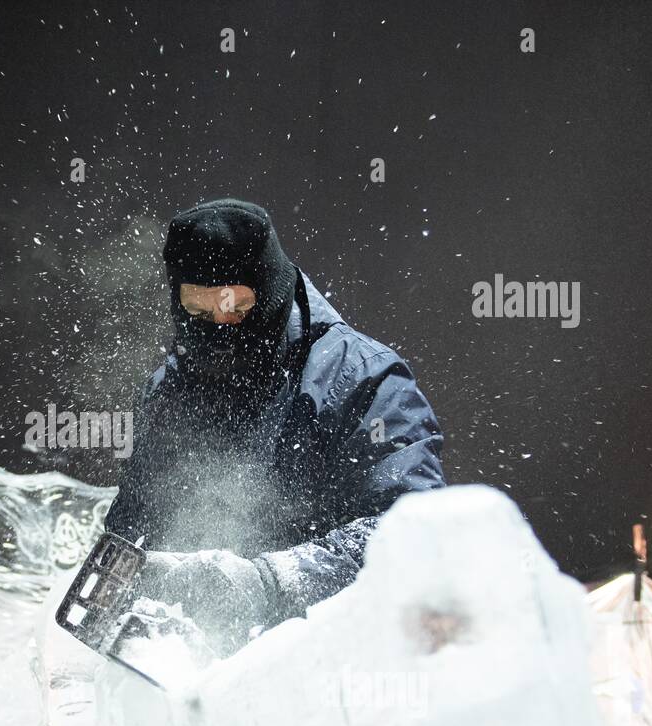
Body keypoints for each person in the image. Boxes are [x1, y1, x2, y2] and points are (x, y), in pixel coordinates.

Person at [105, 198, 446, 647]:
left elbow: (416, 532)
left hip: (330, 669)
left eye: (237, 310)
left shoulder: (363, 379)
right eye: (200, 313)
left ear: (272, 290)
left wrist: (270, 584)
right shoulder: (168, 390)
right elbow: (133, 526)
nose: (219, 331)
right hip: (190, 674)